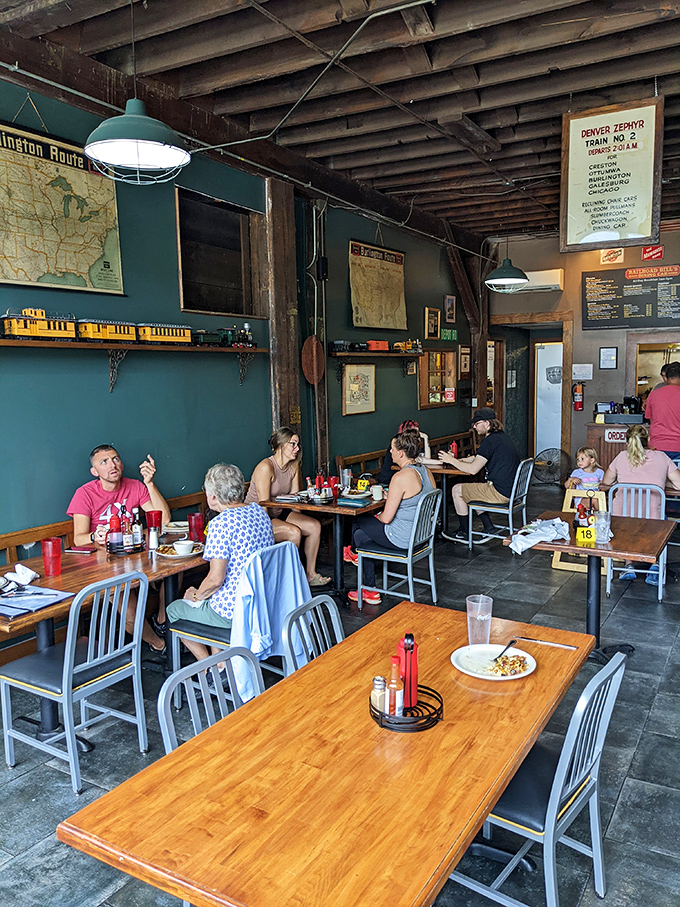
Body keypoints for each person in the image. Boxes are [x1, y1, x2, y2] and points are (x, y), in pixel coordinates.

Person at [67, 444, 171, 654]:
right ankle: (160, 645)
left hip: (137, 556)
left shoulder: (134, 486)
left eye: (115, 459)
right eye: (104, 462)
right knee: (129, 612)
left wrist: (149, 484)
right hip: (105, 565)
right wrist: (93, 536)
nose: (112, 464)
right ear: (95, 472)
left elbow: (164, 521)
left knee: (174, 570)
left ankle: (161, 620)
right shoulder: (84, 493)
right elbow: (79, 539)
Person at [167, 463, 275, 664]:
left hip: (236, 611)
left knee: (174, 609)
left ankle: (211, 666)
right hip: (263, 603)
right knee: (210, 599)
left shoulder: (220, 523)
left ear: (213, 496)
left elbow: (216, 580)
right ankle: (221, 661)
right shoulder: (259, 512)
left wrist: (196, 596)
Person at [344, 428, 435, 605]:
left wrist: (378, 516)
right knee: (361, 536)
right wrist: (390, 498)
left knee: (359, 521)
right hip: (421, 536)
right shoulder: (424, 470)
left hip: (402, 537)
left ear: (400, 453)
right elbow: (413, 499)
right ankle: (367, 584)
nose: (390, 452)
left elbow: (386, 519)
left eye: (392, 449)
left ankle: (355, 557)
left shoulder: (400, 477)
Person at [245, 427, 331, 586]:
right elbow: (264, 505)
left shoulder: (293, 467)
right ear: (280, 445)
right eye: (293, 444)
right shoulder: (266, 467)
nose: (297, 449)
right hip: (257, 517)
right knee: (294, 532)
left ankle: (310, 575)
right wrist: (287, 525)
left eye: (298, 445)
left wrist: (299, 516)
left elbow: (294, 501)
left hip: (279, 512)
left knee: (314, 526)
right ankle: (288, 582)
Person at [601, 424, 680, 583]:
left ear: (627, 442)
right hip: (653, 521)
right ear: (648, 440)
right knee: (661, 518)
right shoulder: (662, 457)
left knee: (627, 525)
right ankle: (654, 564)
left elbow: (606, 482)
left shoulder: (621, 456)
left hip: (621, 520)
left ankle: (628, 564)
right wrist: (662, 483)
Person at [437, 408, 520, 544]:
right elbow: (478, 458)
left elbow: (473, 469)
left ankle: (464, 532)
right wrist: (460, 460)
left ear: (487, 423)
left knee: (457, 490)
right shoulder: (501, 437)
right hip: (512, 490)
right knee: (474, 490)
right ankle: (488, 527)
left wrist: (452, 461)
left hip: (500, 492)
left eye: (477, 423)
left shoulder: (489, 441)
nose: (474, 427)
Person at [644, 360, 680, 469]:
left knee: (658, 483)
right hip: (678, 446)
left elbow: (651, 420)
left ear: (666, 377)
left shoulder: (654, 394)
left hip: (657, 447)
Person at [376, 419, 430, 485]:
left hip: (402, 481)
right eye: (414, 433)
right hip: (388, 481)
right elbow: (419, 460)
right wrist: (438, 462)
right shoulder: (397, 446)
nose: (417, 436)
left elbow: (425, 459)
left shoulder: (413, 445)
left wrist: (425, 438)